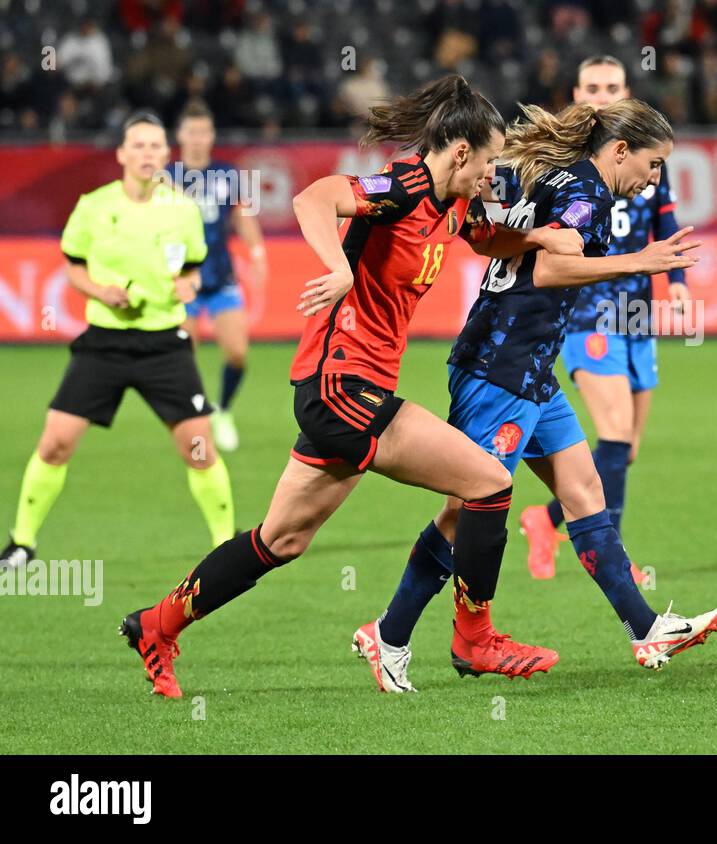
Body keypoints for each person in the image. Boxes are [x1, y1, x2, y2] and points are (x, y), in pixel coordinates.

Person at [117, 76, 581, 698]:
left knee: (281, 539)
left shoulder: (457, 201)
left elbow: (484, 239)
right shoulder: (405, 184)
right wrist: (338, 268)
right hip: (342, 383)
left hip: (346, 389)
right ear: (462, 152)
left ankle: (157, 625)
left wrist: (537, 238)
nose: (494, 171)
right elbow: (314, 199)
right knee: (491, 482)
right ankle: (474, 637)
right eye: (491, 158)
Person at [355, 99, 717, 690]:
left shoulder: (559, 177)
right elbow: (552, 271)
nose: (654, 180)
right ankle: (392, 633)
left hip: (529, 367)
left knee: (583, 488)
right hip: (500, 368)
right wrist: (644, 262)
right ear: (622, 151)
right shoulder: (590, 194)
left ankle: (645, 627)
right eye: (653, 166)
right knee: (465, 509)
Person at [3, 112, 233, 570]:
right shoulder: (93, 206)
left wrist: (188, 285)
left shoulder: (181, 209)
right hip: (104, 342)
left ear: (165, 155)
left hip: (165, 343)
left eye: (155, 146)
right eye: (139, 146)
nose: (147, 154)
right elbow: (73, 266)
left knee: (199, 448)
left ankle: (227, 546)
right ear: (122, 154)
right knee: (55, 443)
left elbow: (191, 268)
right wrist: (102, 292)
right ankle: (22, 543)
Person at [519, 55, 690, 583]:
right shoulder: (567, 164)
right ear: (575, 91)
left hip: (635, 310)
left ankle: (544, 519)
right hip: (590, 312)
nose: (602, 94)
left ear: (626, 90)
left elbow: (665, 217)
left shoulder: (643, 157)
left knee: (627, 449)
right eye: (591, 86)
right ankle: (615, 560)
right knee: (613, 435)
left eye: (612, 86)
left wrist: (678, 287)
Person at [173, 101, 265, 451]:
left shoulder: (227, 173)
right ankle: (196, 418)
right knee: (183, 356)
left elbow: (242, 217)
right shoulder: (167, 177)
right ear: (181, 135)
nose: (198, 139)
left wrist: (257, 253)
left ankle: (222, 410)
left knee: (238, 353)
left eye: (204, 132)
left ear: (212, 135)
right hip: (182, 281)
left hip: (221, 276)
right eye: (192, 132)